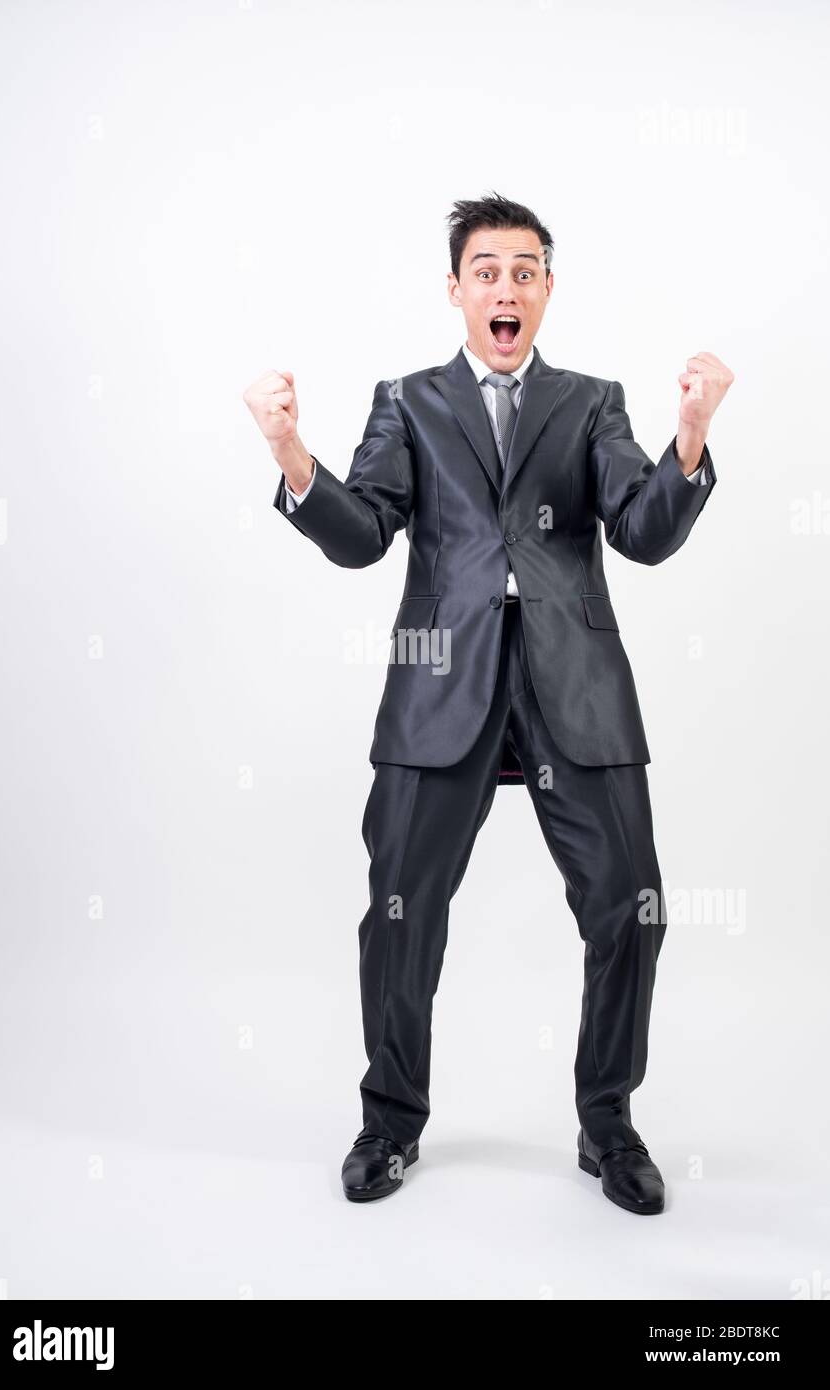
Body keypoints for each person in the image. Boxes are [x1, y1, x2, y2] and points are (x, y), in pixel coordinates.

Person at [242, 191, 733, 1215]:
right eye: (486, 272)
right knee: (399, 914)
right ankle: (390, 1118)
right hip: (439, 684)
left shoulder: (592, 401)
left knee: (631, 906)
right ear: (457, 290)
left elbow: (641, 529)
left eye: (524, 270)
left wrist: (690, 435)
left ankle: (609, 1122)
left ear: (547, 288)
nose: (504, 288)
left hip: (576, 688)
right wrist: (292, 453)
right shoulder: (408, 401)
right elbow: (364, 531)